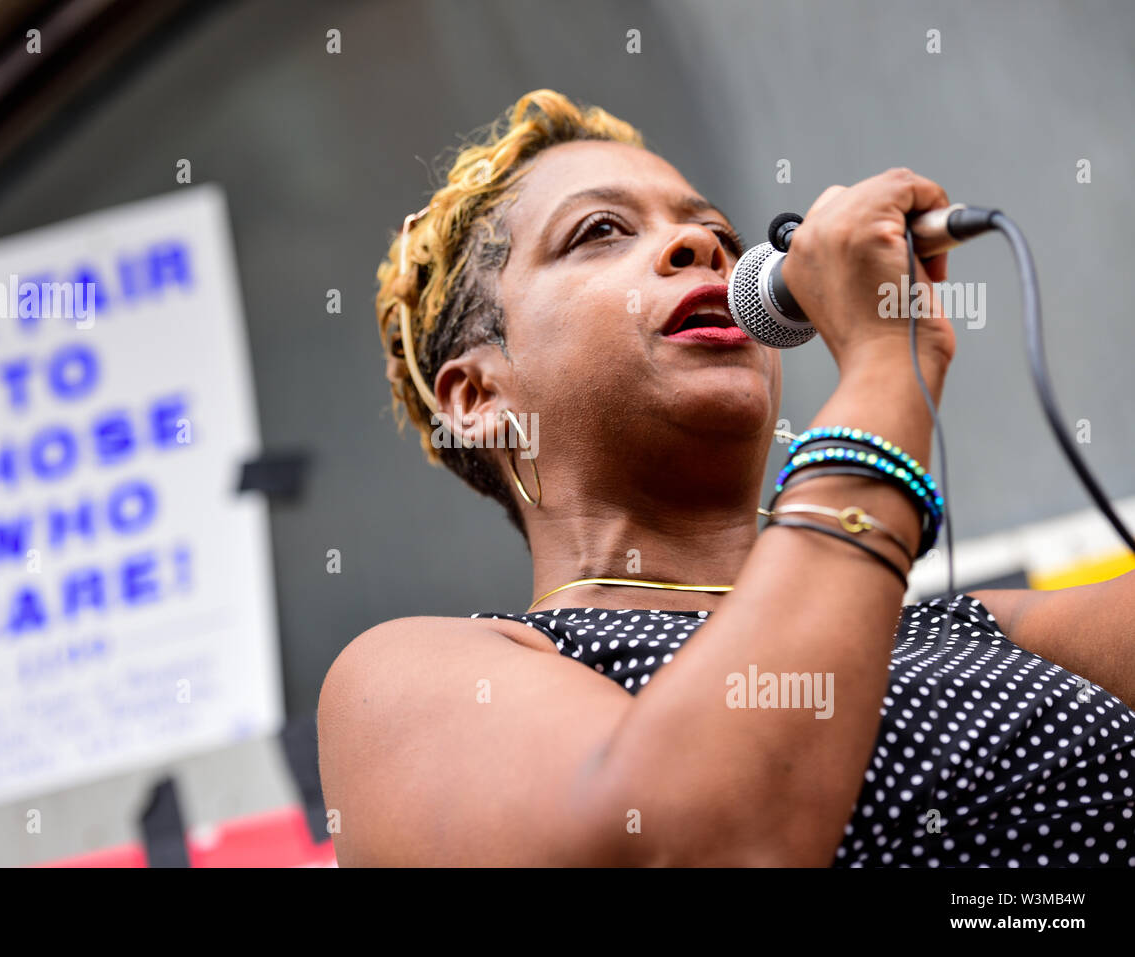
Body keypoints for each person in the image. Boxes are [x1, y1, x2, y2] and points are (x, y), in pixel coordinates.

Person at [318, 89, 1135, 866]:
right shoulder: (408, 677)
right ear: (479, 394)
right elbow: (695, 844)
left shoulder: (966, 628)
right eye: (600, 231)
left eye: (718, 233)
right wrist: (889, 366)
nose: (703, 246)